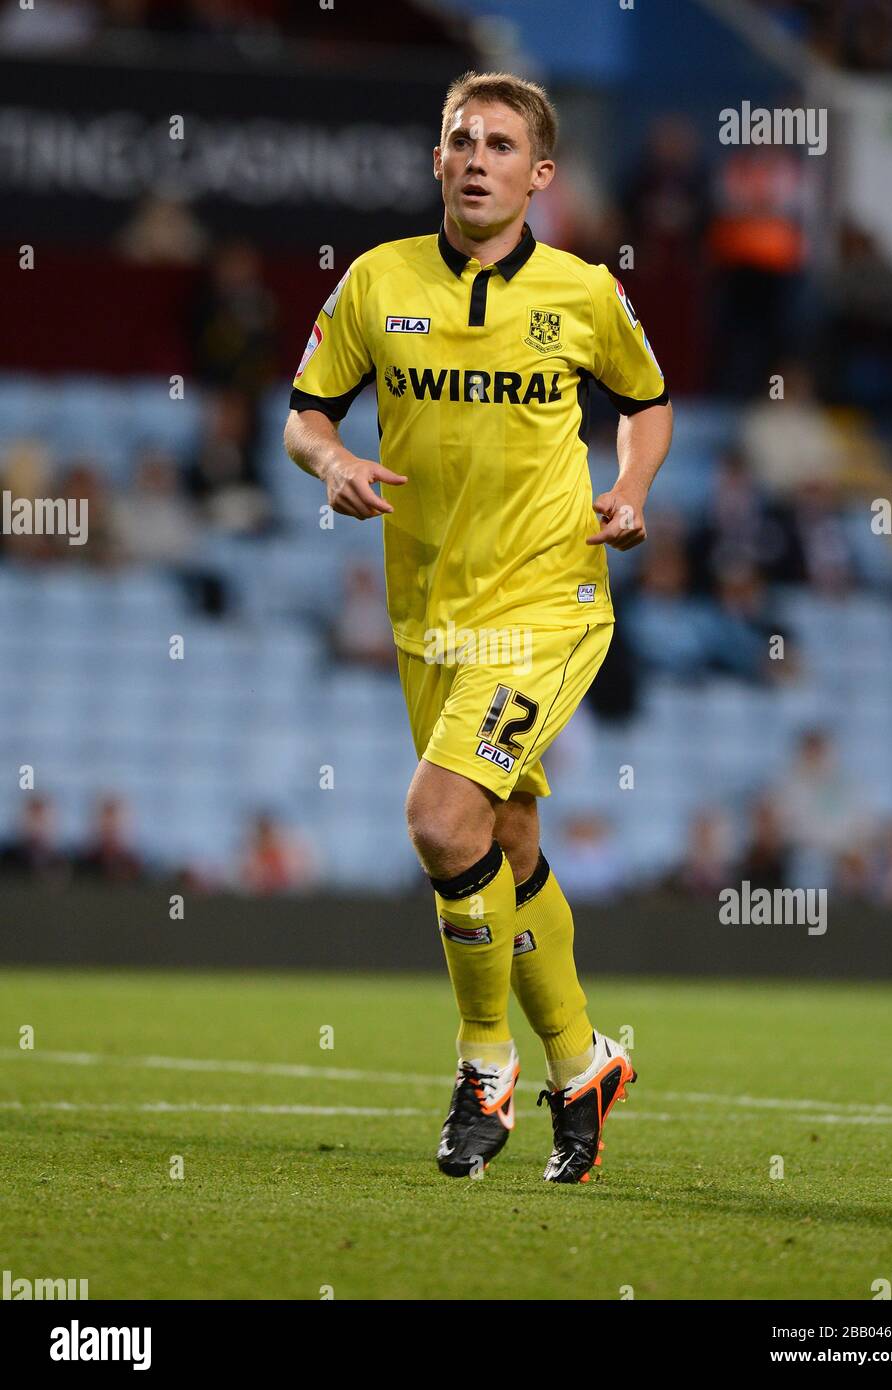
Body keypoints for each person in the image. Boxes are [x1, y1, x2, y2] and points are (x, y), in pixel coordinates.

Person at [284, 70, 673, 1185]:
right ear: (437, 158)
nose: (475, 157)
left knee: (441, 820)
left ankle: (482, 1069)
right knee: (501, 841)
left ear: (538, 174)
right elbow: (305, 413)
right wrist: (336, 460)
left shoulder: (584, 292)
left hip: (548, 599)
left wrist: (632, 486)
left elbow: (645, 403)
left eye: (500, 144)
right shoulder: (375, 282)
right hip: (427, 613)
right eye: (460, 139)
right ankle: (583, 1059)